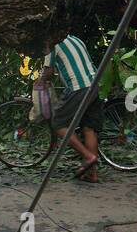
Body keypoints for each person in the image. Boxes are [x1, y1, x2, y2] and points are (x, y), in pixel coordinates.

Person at [41, 34, 104, 183]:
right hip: (94, 84)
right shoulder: (76, 39)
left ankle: (89, 157)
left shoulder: (51, 43)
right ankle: (92, 174)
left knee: (59, 124)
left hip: (78, 88)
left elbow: (48, 72)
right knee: (89, 128)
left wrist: (40, 80)